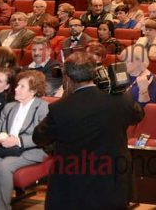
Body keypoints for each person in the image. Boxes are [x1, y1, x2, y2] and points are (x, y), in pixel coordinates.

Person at [32, 53, 144, 210]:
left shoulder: (60, 108)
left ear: (67, 78)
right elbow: (137, 115)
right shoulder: (120, 97)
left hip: (73, 184)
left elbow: (39, 138)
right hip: (113, 178)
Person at [0, 70, 49, 210]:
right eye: (17, 86)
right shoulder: (9, 107)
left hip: (31, 150)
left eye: (22, 86)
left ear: (33, 91)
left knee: (4, 167)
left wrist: (18, 141)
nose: (16, 89)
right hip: (5, 150)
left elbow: (44, 136)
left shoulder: (42, 107)